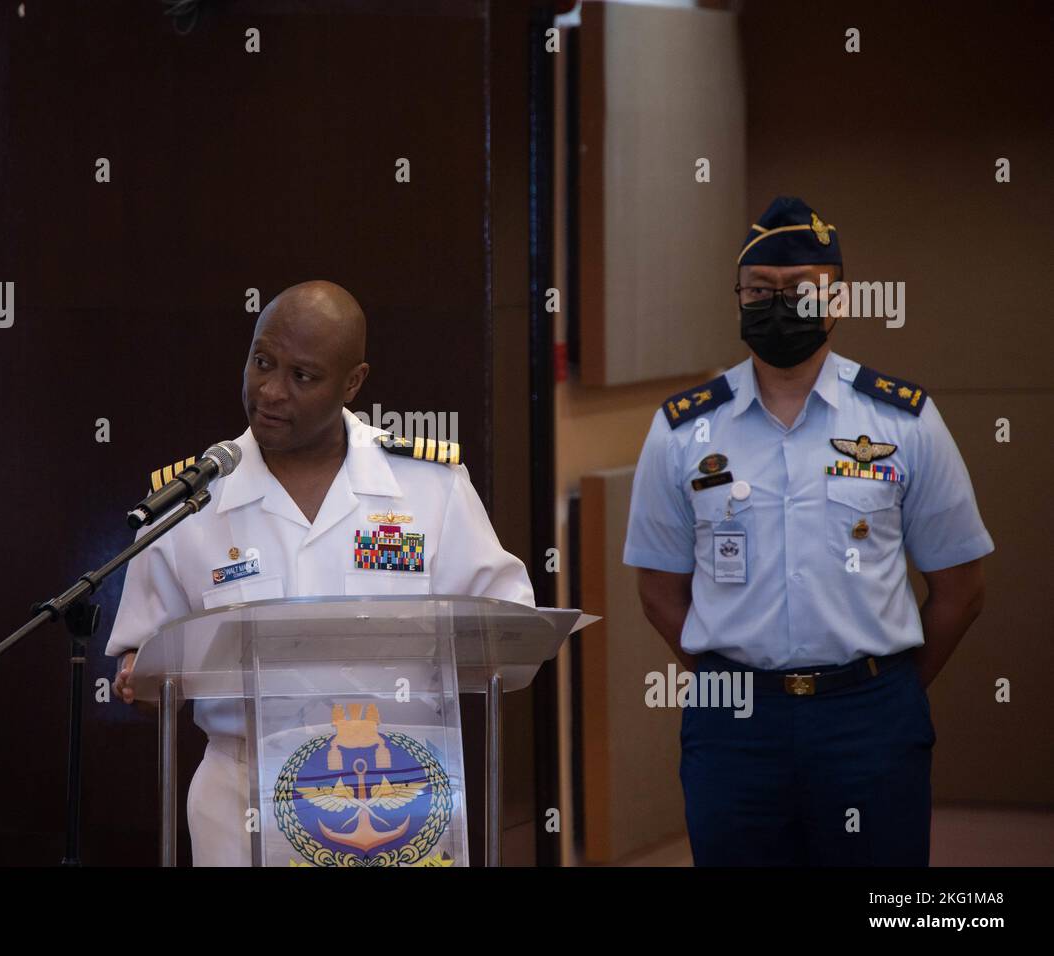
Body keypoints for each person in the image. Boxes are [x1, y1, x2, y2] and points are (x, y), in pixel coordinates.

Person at [106, 279, 534, 865]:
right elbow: (145, 667)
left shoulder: (428, 488)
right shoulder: (189, 503)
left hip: (399, 789)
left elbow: (511, 632)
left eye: (302, 376)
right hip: (241, 797)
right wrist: (140, 680)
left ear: (353, 382)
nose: (270, 391)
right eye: (262, 362)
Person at [623, 196, 992, 866]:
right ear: (737, 297)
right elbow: (657, 590)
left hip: (870, 719)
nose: (775, 302)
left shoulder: (903, 421)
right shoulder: (683, 428)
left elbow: (961, 587)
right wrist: (733, 673)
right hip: (733, 723)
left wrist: (888, 687)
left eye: (798, 289)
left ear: (838, 299)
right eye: (758, 289)